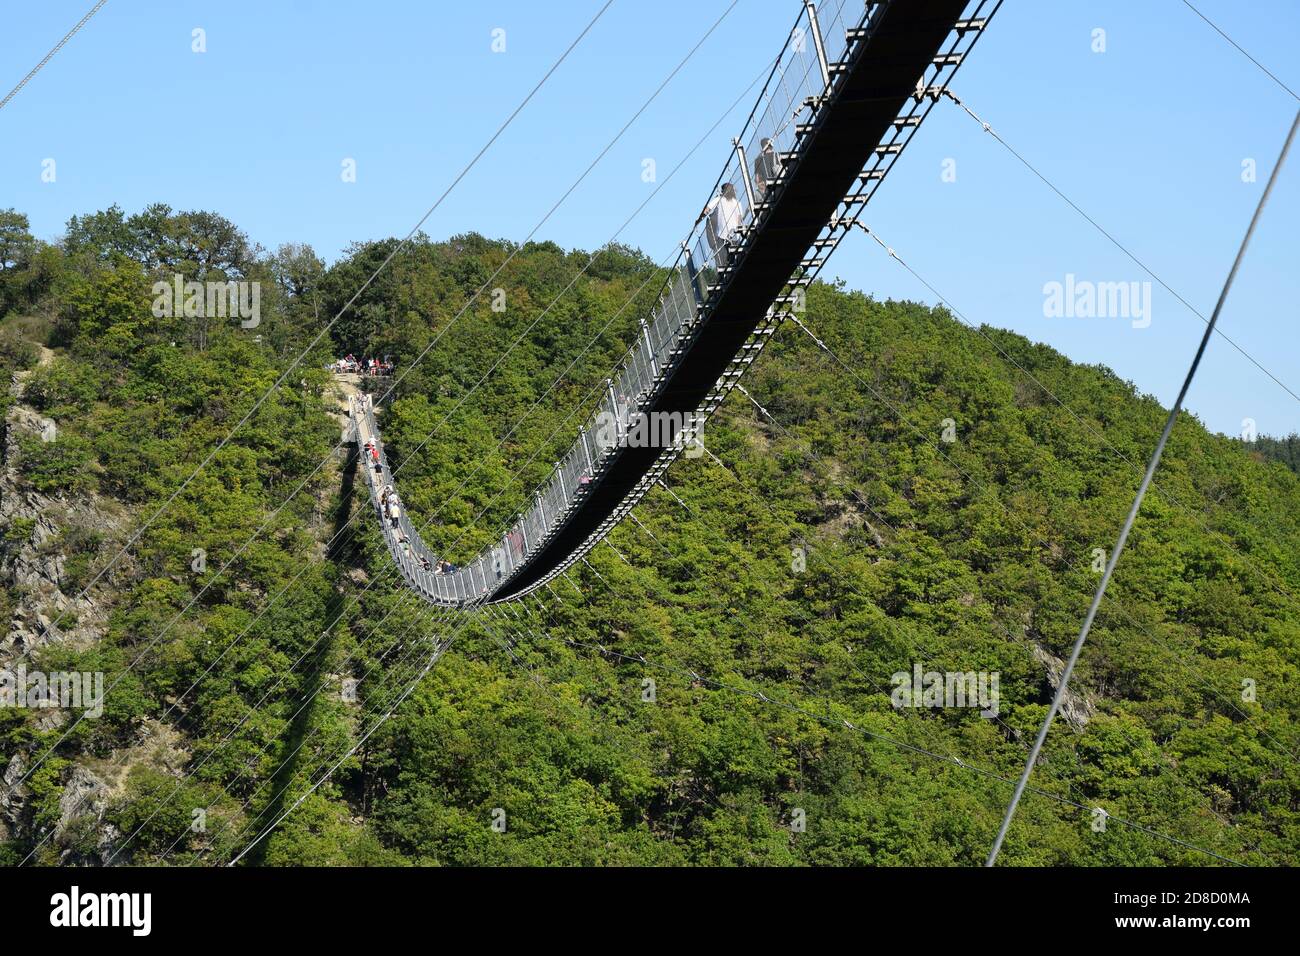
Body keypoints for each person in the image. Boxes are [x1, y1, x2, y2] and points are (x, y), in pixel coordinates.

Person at [698, 182, 742, 267]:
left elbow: (706, 210)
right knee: (733, 255)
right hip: (735, 234)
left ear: (723, 191)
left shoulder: (718, 199)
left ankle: (728, 265)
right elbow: (739, 219)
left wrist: (698, 220)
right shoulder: (737, 202)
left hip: (723, 235)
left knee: (724, 257)